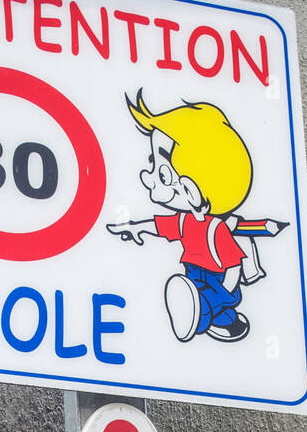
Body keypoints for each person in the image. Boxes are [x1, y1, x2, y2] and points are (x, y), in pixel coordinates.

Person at [107, 91, 254, 342]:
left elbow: (233, 267)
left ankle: (204, 317)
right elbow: (158, 225)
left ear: (192, 191)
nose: (149, 177)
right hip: (193, 274)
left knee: (207, 305)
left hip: (218, 281)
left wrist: (225, 292)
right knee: (200, 301)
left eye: (162, 174)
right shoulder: (184, 222)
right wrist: (135, 227)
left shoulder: (215, 229)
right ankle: (210, 316)